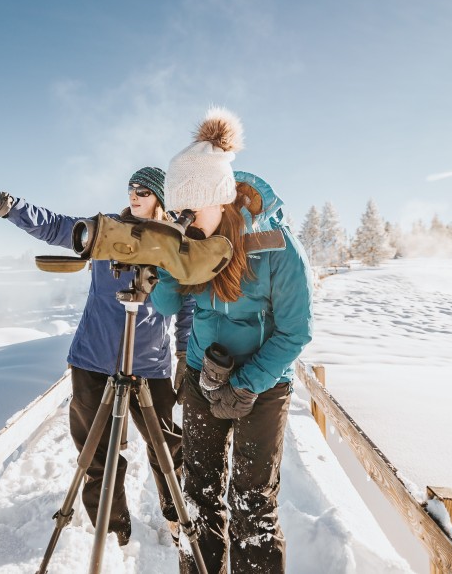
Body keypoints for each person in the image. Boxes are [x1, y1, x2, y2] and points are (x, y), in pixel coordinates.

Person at [0, 167, 193, 547]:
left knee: (168, 449)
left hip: (149, 363)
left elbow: (187, 303)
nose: (134, 194)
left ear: (161, 197)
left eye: (143, 190)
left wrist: (184, 352)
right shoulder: (105, 231)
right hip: (92, 359)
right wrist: (6, 205)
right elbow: (56, 226)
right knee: (96, 455)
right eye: (130, 188)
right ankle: (112, 529)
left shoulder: (176, 241)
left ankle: (177, 518)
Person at [150, 109, 314, 573]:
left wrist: (247, 383)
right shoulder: (196, 241)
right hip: (204, 379)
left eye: (190, 208)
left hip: (261, 388)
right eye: (178, 209)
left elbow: (296, 331)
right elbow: (164, 307)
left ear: (218, 199)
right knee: (198, 494)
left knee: (252, 503)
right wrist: (169, 256)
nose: (185, 217)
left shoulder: (279, 247)